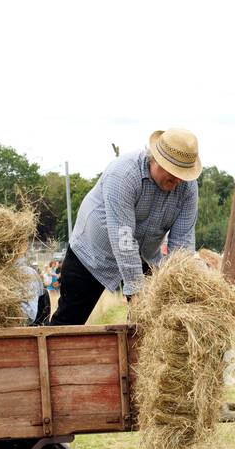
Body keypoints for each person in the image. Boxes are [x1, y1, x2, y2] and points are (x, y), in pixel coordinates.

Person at [53, 128, 201, 325]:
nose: (178, 180)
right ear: (156, 159)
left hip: (144, 256)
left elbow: (182, 243)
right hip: (91, 255)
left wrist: (179, 285)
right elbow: (123, 237)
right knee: (67, 324)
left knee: (153, 327)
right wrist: (136, 291)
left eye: (183, 175)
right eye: (173, 173)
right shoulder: (123, 174)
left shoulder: (188, 188)